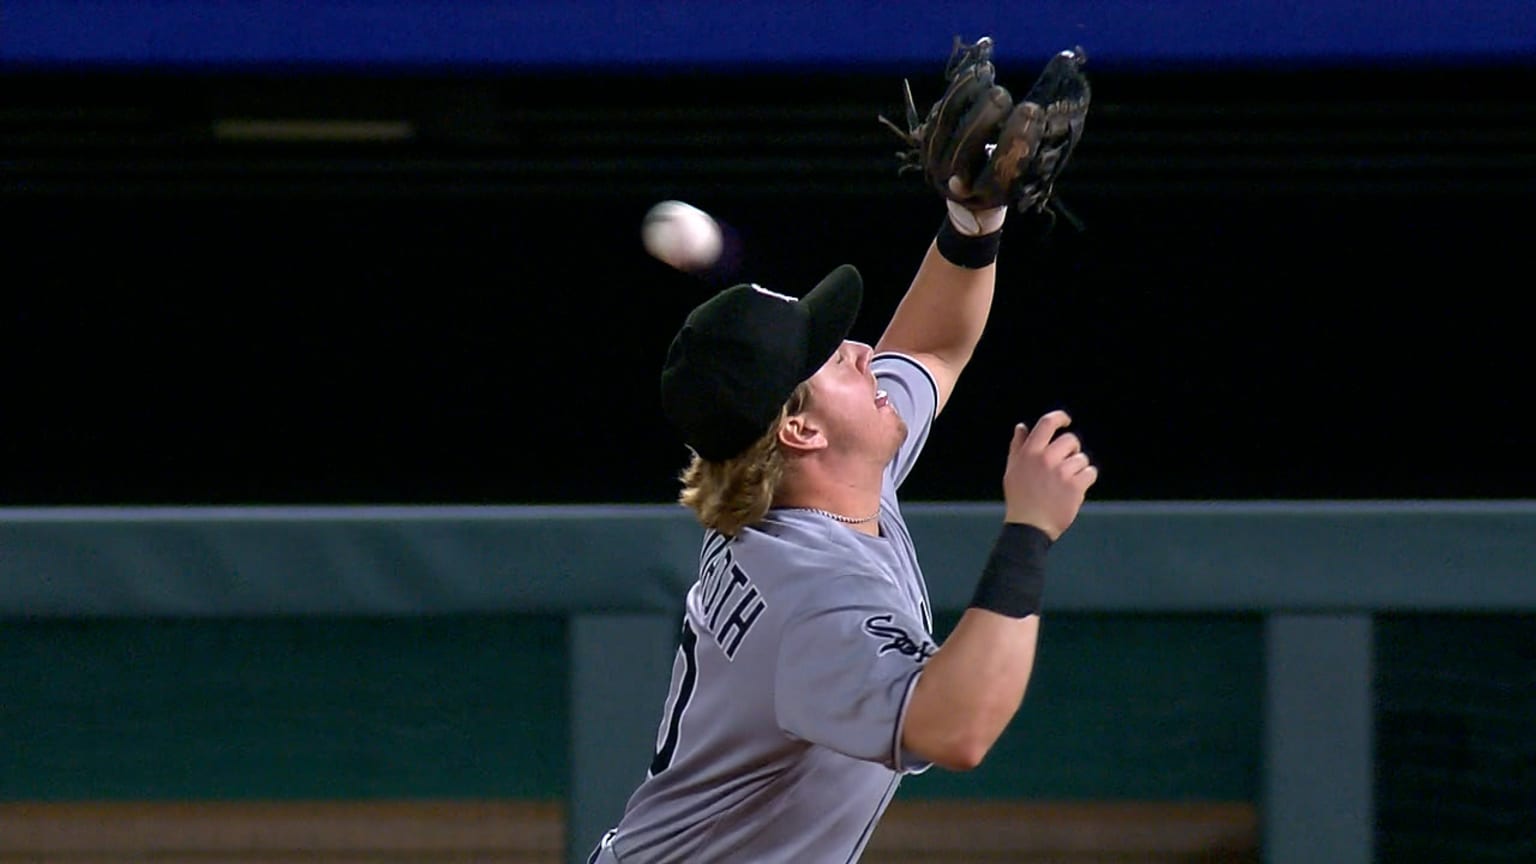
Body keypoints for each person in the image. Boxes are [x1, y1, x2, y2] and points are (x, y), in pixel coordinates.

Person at [590, 39, 1097, 864]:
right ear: (799, 431)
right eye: (831, 356)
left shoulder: (829, 482)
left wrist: (974, 219)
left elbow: (933, 348)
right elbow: (957, 727)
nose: (863, 350)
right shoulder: (812, 592)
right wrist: (1030, 532)